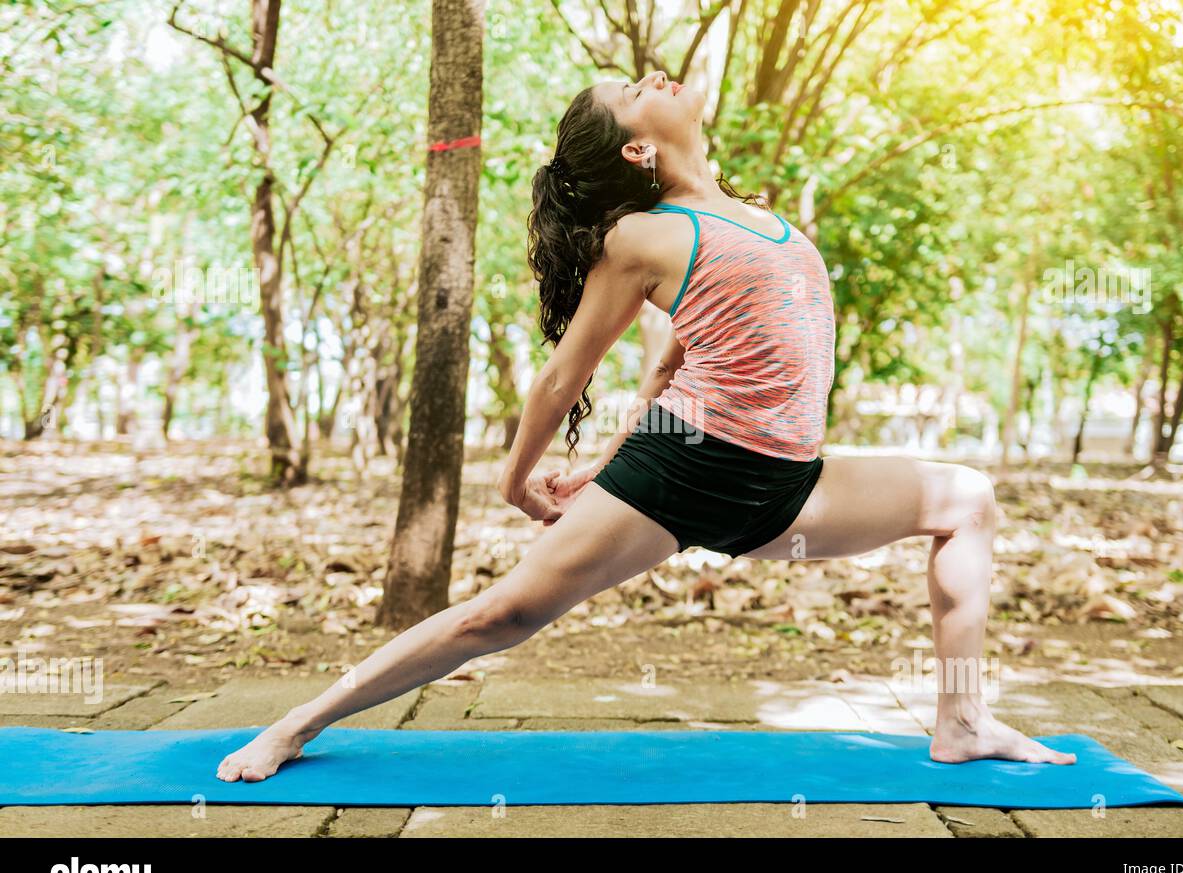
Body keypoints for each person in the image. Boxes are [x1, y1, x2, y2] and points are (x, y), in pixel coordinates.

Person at [216, 70, 1075, 783]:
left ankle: (963, 718)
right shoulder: (644, 235)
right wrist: (517, 480)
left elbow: (673, 368)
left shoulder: (756, 212)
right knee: (504, 614)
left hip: (786, 486)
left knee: (966, 498)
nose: (655, 76)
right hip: (686, 475)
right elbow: (564, 373)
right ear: (638, 147)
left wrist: (602, 465)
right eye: (633, 89)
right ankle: (300, 722)